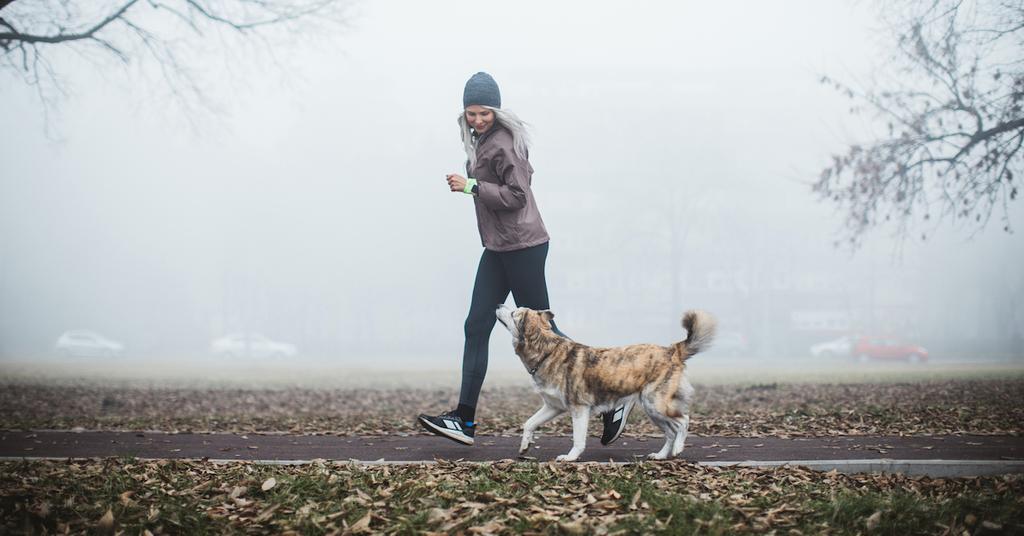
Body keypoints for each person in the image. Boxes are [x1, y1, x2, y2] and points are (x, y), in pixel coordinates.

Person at [417, 72, 634, 447]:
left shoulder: (503, 142)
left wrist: (471, 185)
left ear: (496, 111)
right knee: (476, 325)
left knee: (545, 333)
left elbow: (518, 195)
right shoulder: (483, 141)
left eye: (484, 113)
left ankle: (616, 394)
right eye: (471, 113)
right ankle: (464, 420)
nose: (478, 120)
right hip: (500, 247)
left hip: (523, 246)